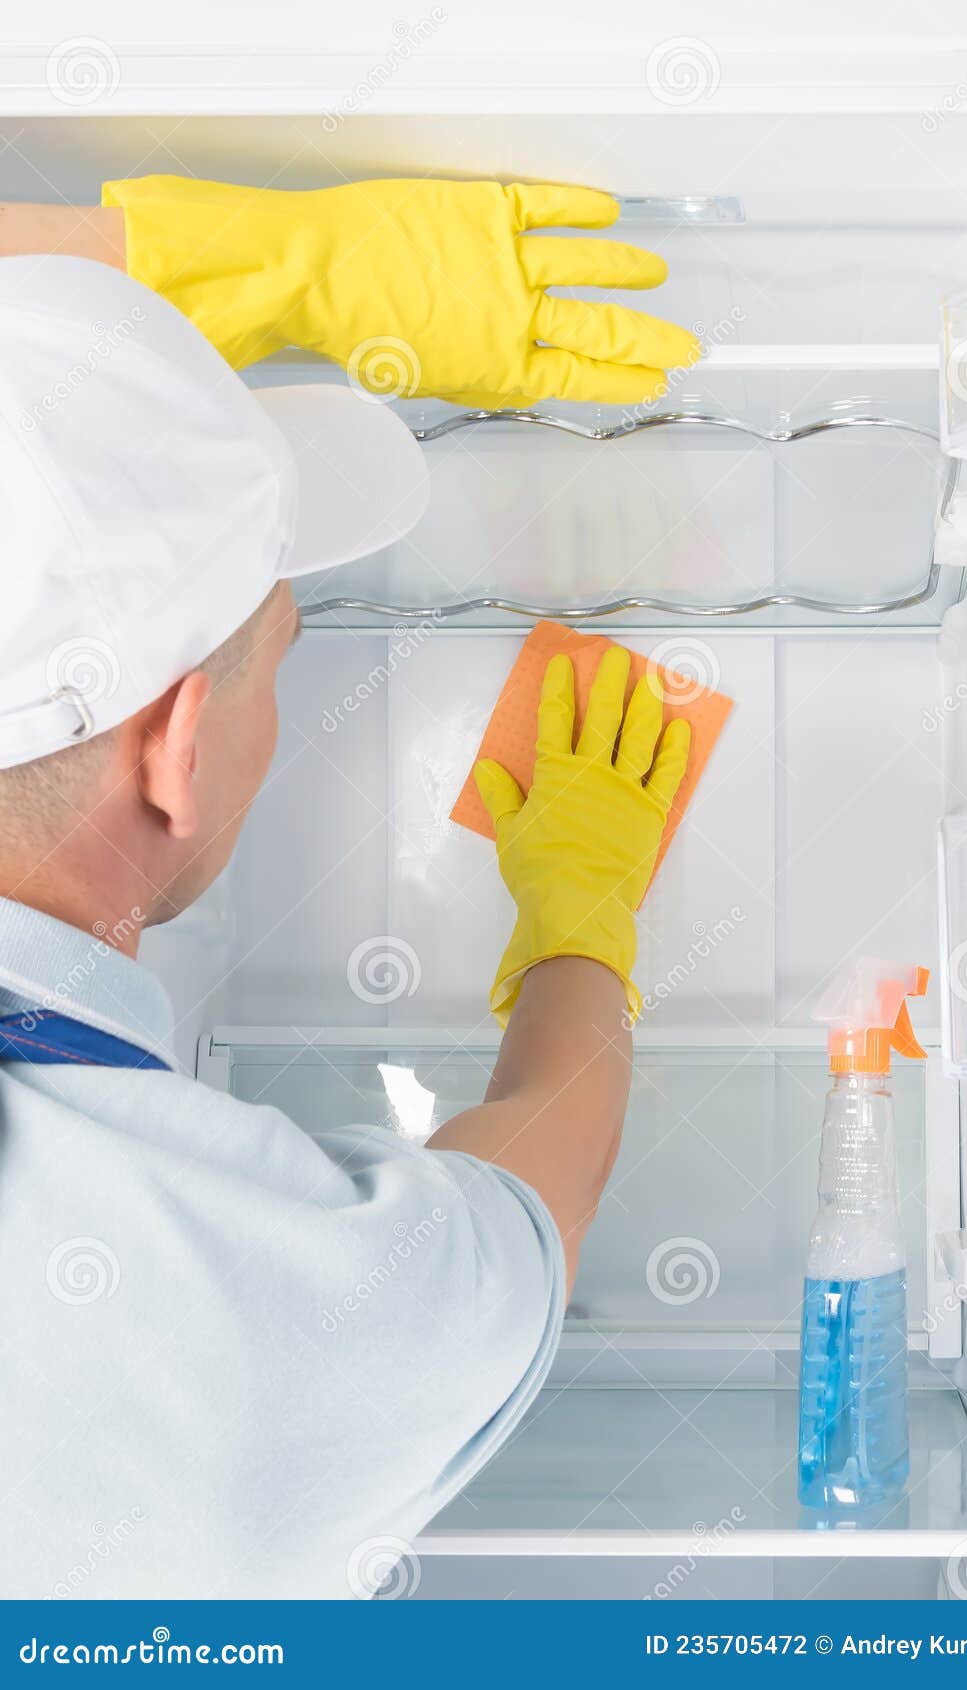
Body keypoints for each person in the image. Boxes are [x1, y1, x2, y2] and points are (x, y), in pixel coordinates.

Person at [0, 212, 690, 1599]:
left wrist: (227, 278)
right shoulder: (249, 1322)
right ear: (180, 746)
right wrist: (581, 909)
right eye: (277, 658)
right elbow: (538, 1187)